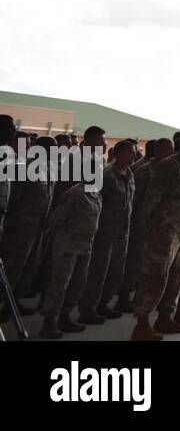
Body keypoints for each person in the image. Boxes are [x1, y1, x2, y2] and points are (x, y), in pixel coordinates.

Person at [132, 128, 180, 340]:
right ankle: (142, 325)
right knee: (154, 277)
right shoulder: (168, 166)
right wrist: (153, 230)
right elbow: (151, 201)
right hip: (164, 233)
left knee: (177, 277)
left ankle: (165, 318)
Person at [38, 127, 106, 339]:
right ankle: (50, 320)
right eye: (99, 140)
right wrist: (61, 233)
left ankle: (64, 317)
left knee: (77, 282)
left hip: (85, 241)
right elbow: (58, 210)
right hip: (68, 238)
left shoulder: (95, 189)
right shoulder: (75, 166)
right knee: (60, 281)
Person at [77, 139, 136, 322]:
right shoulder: (106, 174)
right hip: (104, 232)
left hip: (122, 232)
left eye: (134, 152)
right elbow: (91, 201)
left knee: (115, 272)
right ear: (118, 153)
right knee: (98, 272)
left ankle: (103, 304)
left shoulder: (129, 174)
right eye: (129, 152)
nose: (133, 156)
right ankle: (87, 309)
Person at [0, 135, 56, 317]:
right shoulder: (26, 168)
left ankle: (12, 304)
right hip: (20, 227)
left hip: (37, 227)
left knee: (26, 270)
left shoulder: (48, 168)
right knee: (12, 268)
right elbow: (13, 198)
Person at [116, 136, 172, 311]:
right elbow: (133, 200)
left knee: (149, 265)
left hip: (158, 226)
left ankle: (140, 297)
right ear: (158, 151)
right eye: (167, 149)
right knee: (134, 262)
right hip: (140, 224)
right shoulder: (144, 171)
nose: (171, 152)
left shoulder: (168, 171)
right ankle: (124, 297)